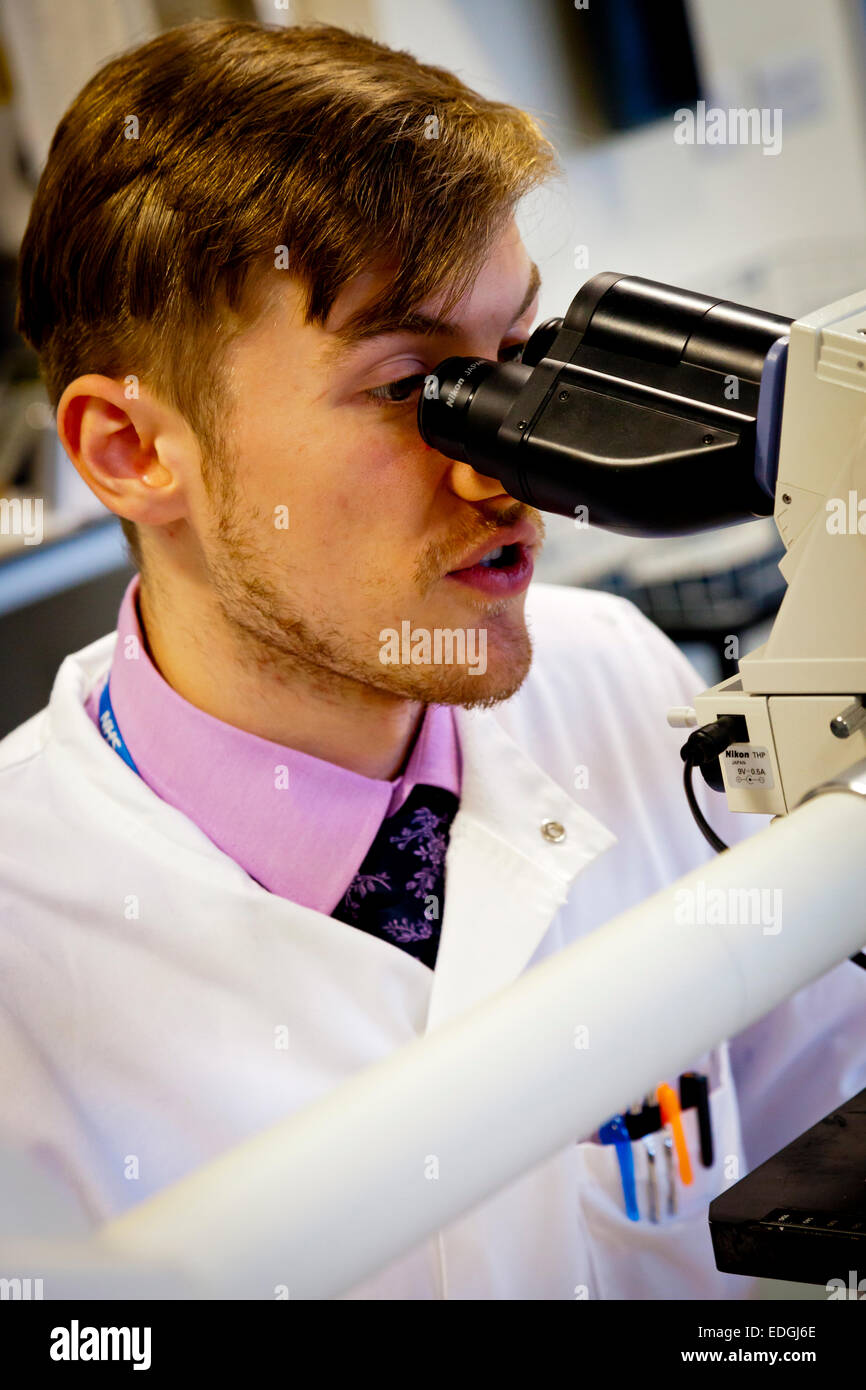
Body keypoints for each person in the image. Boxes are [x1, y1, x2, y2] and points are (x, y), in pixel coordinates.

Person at [2, 18, 864, 1300]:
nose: (504, 462)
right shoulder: (26, 961)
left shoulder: (616, 679)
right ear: (132, 450)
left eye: (518, 361)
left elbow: (814, 1140)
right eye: (411, 385)